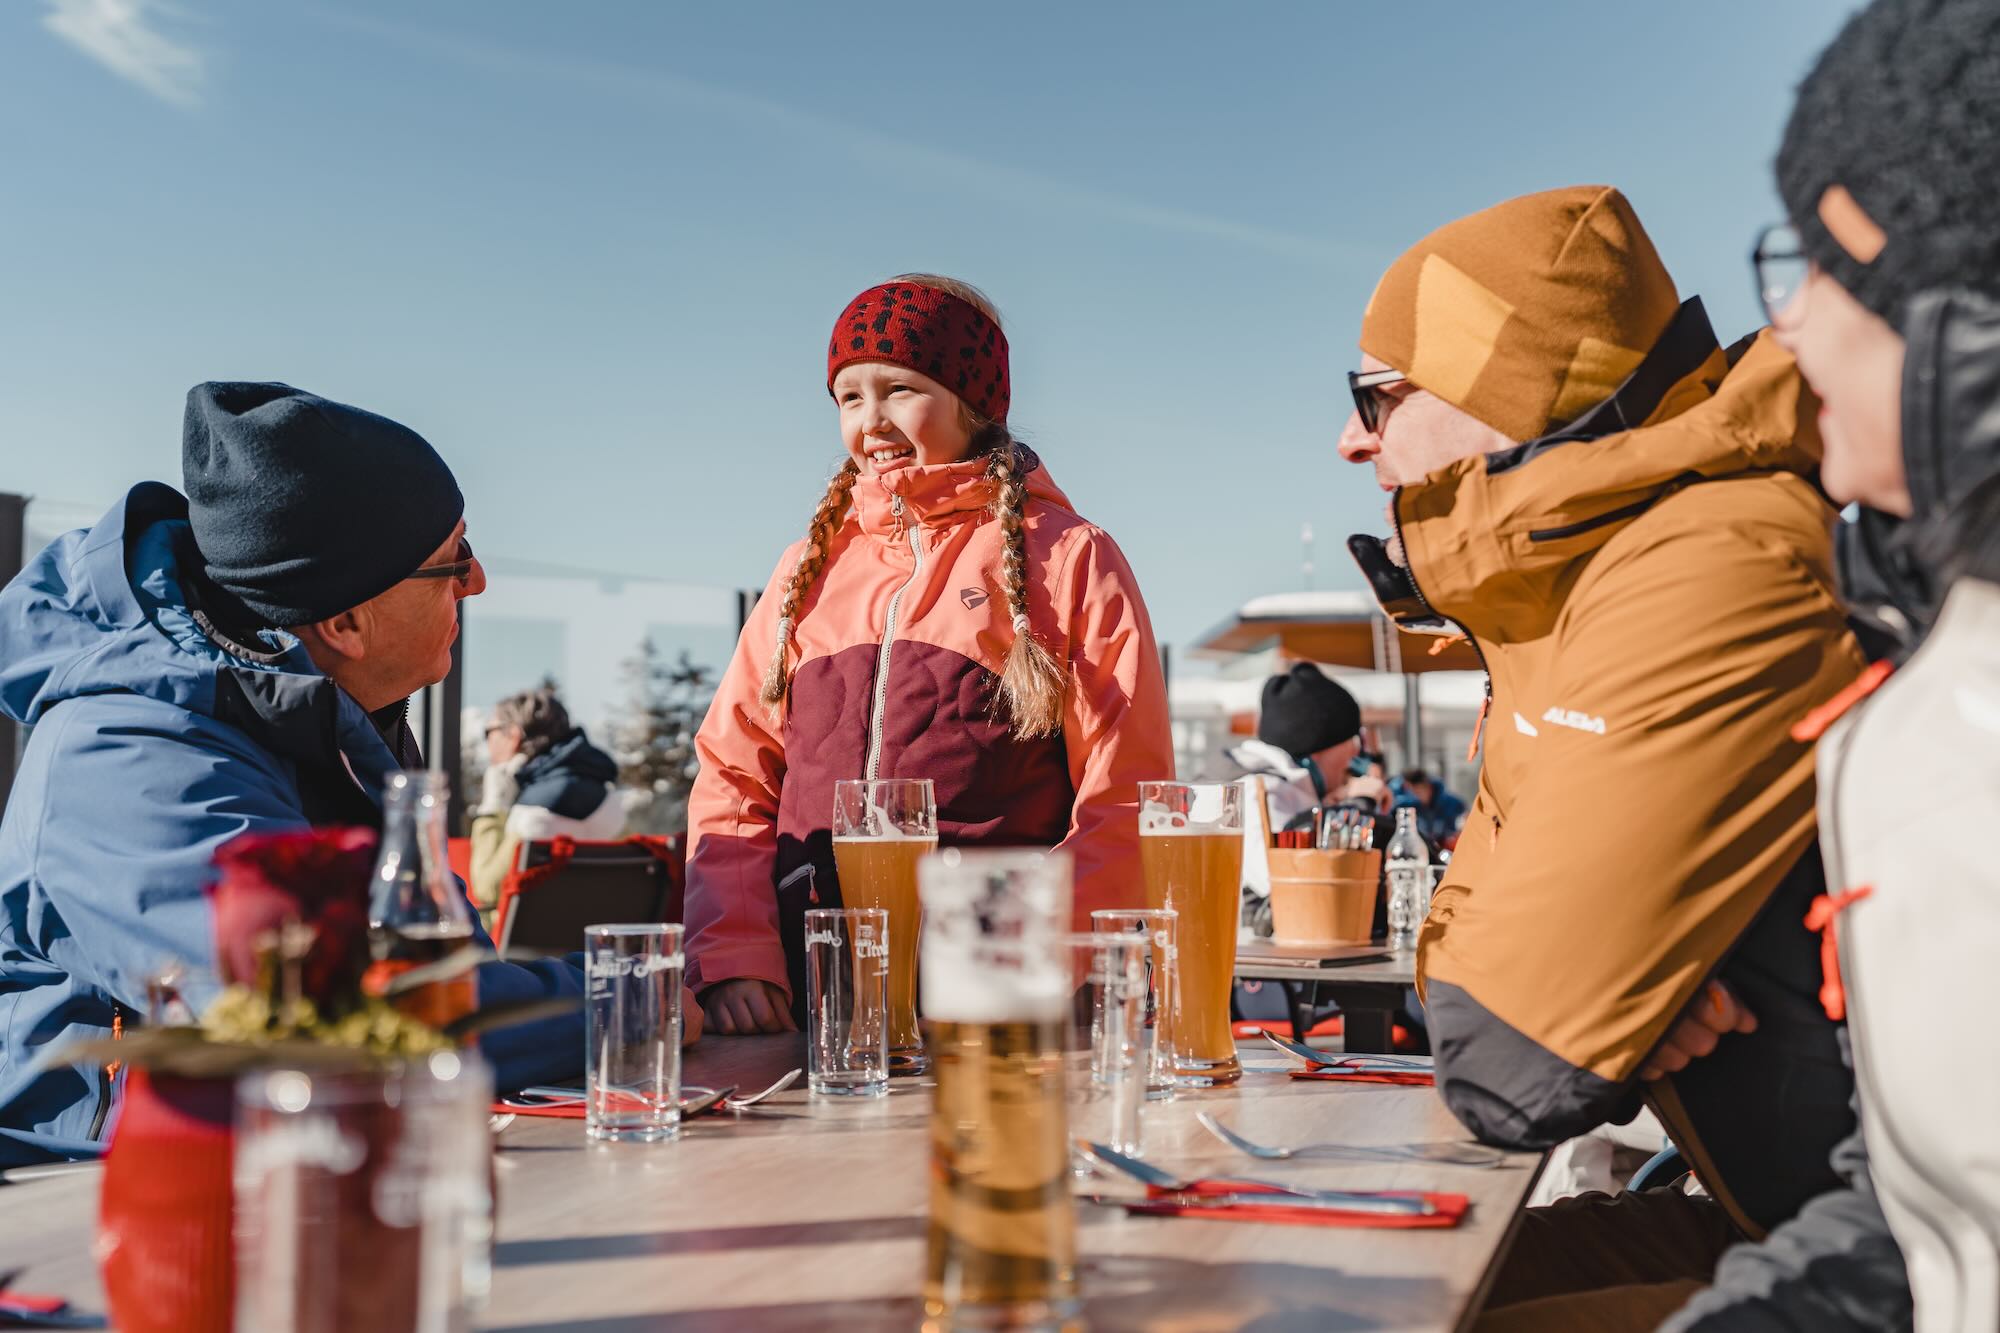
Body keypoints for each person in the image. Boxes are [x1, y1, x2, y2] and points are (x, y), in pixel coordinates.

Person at [1337, 187, 1866, 1328]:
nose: (1347, 440)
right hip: (1765, 1209)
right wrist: (1613, 998)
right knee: (1311, 1287)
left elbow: (1509, 1062)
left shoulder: (1715, 557)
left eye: (1376, 396)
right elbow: (1465, 990)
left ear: (1506, 391)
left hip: (1893, 1258)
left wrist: (1589, 1010)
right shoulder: (1564, 603)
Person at [0, 382, 674, 1168]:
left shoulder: (336, 723)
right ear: (346, 622)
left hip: (309, 1168)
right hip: (102, 1210)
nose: (479, 580)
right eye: (453, 561)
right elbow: (335, 1020)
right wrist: (626, 999)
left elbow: (447, 979)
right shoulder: (121, 760)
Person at [1664, 2, 2000, 1327]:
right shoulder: (1928, 673)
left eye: (1815, 266)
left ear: (1958, 319)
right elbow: (1924, 1210)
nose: (1787, 327)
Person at [683, 276, 1174, 1035]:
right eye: (849, 397)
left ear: (972, 402)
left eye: (900, 389)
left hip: (995, 996)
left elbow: (1125, 789)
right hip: (813, 985)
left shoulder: (1070, 558)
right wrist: (737, 949)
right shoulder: (807, 569)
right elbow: (733, 770)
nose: (870, 420)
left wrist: (1038, 947)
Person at [468, 684, 625, 921]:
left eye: (489, 732)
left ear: (513, 737)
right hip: (589, 943)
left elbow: (487, 887)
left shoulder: (536, 810)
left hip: (519, 953)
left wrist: (492, 805)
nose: (487, 743)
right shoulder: (608, 798)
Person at [1396, 768, 1466, 846]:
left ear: (1426, 785)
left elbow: (1463, 830)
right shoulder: (1407, 805)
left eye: (1417, 791)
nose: (1415, 795)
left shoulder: (1454, 804)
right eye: (1411, 791)